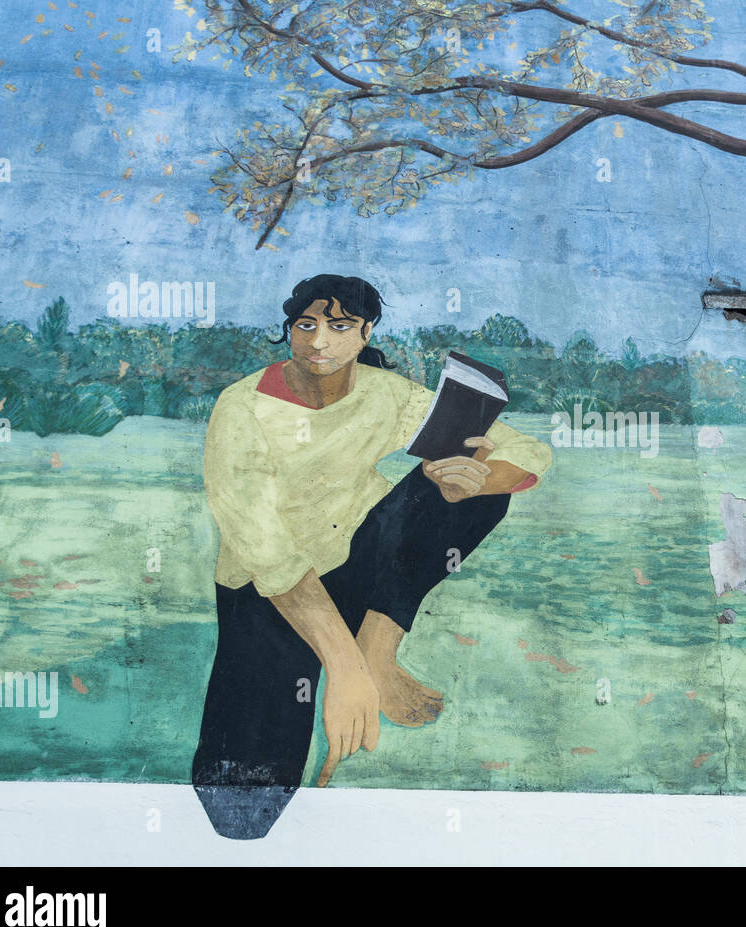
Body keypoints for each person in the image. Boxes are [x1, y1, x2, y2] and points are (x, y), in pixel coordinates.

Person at [191, 274, 551, 839]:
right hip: (266, 592)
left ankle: (377, 647)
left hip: (357, 561)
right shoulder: (242, 409)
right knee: (240, 808)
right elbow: (270, 555)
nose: (319, 342)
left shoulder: (387, 394)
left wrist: (476, 479)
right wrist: (343, 670)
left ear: (365, 334)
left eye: (339, 327)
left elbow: (528, 450)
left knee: (464, 489)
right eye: (305, 325)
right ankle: (361, 658)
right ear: (288, 330)